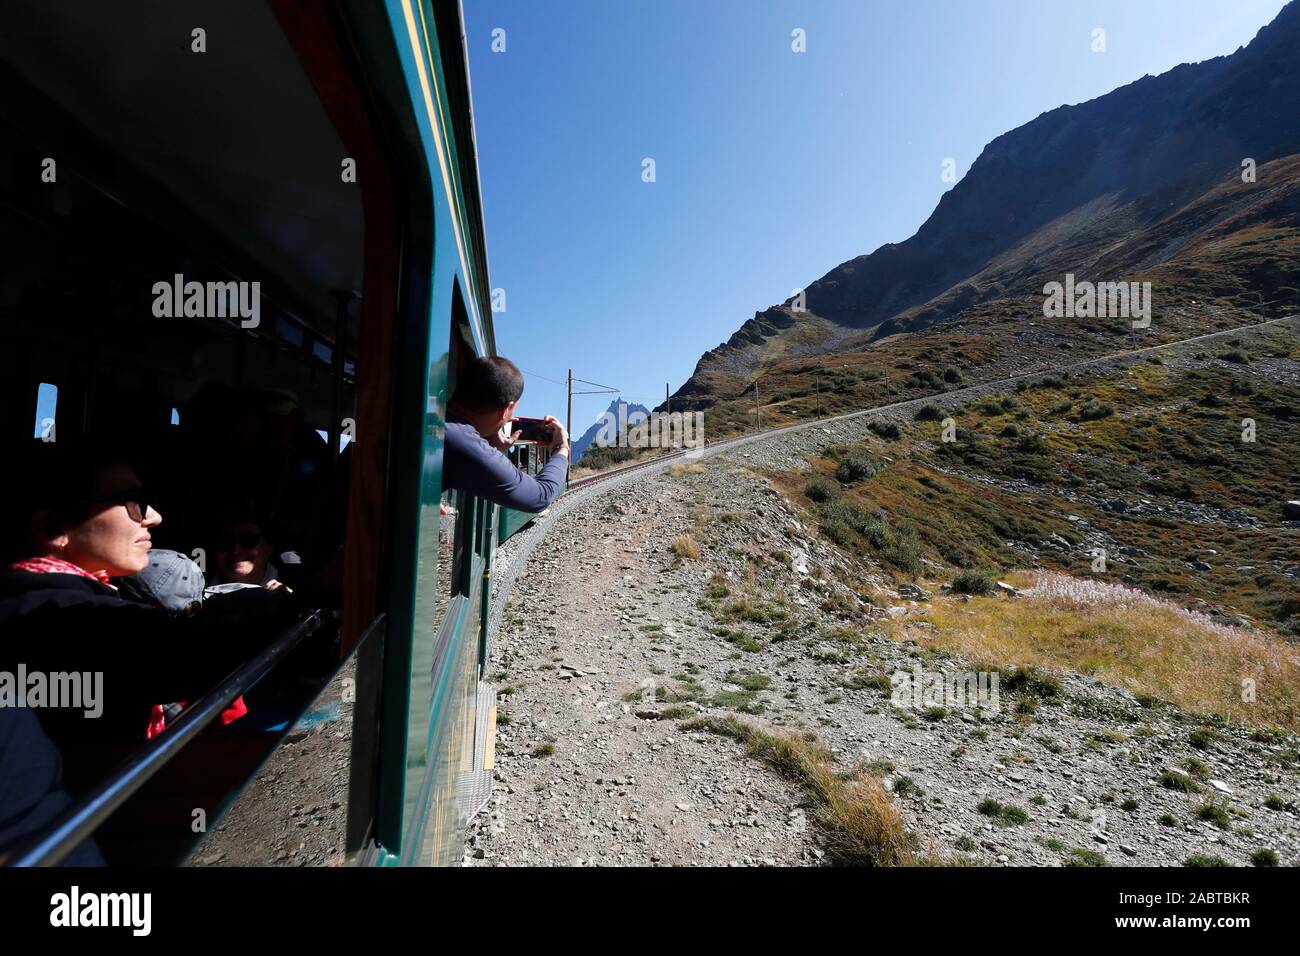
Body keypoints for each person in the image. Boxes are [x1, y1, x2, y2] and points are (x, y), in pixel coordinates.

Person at [0, 439, 303, 794]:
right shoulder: (47, 617)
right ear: (54, 529)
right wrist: (296, 604)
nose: (153, 517)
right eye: (133, 504)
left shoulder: (42, 597)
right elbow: (179, 650)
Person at [443, 356, 570, 512]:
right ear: (505, 411)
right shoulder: (462, 443)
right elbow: (541, 496)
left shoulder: (435, 421)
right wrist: (561, 448)